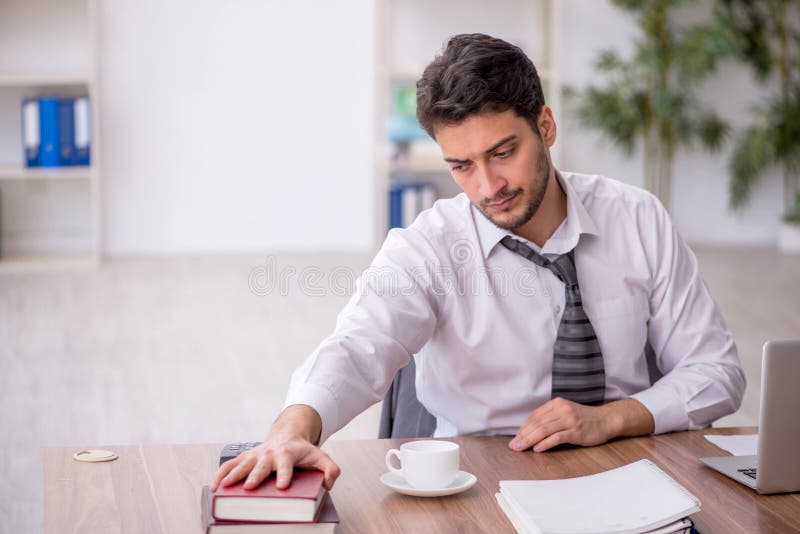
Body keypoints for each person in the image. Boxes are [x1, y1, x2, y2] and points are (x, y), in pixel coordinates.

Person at [211, 33, 745, 493]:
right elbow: (355, 348)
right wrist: (291, 430)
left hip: (629, 470)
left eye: (502, 152)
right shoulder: (429, 245)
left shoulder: (638, 218)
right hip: (478, 481)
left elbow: (717, 372)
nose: (488, 187)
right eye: (461, 166)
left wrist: (613, 418)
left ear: (547, 126)